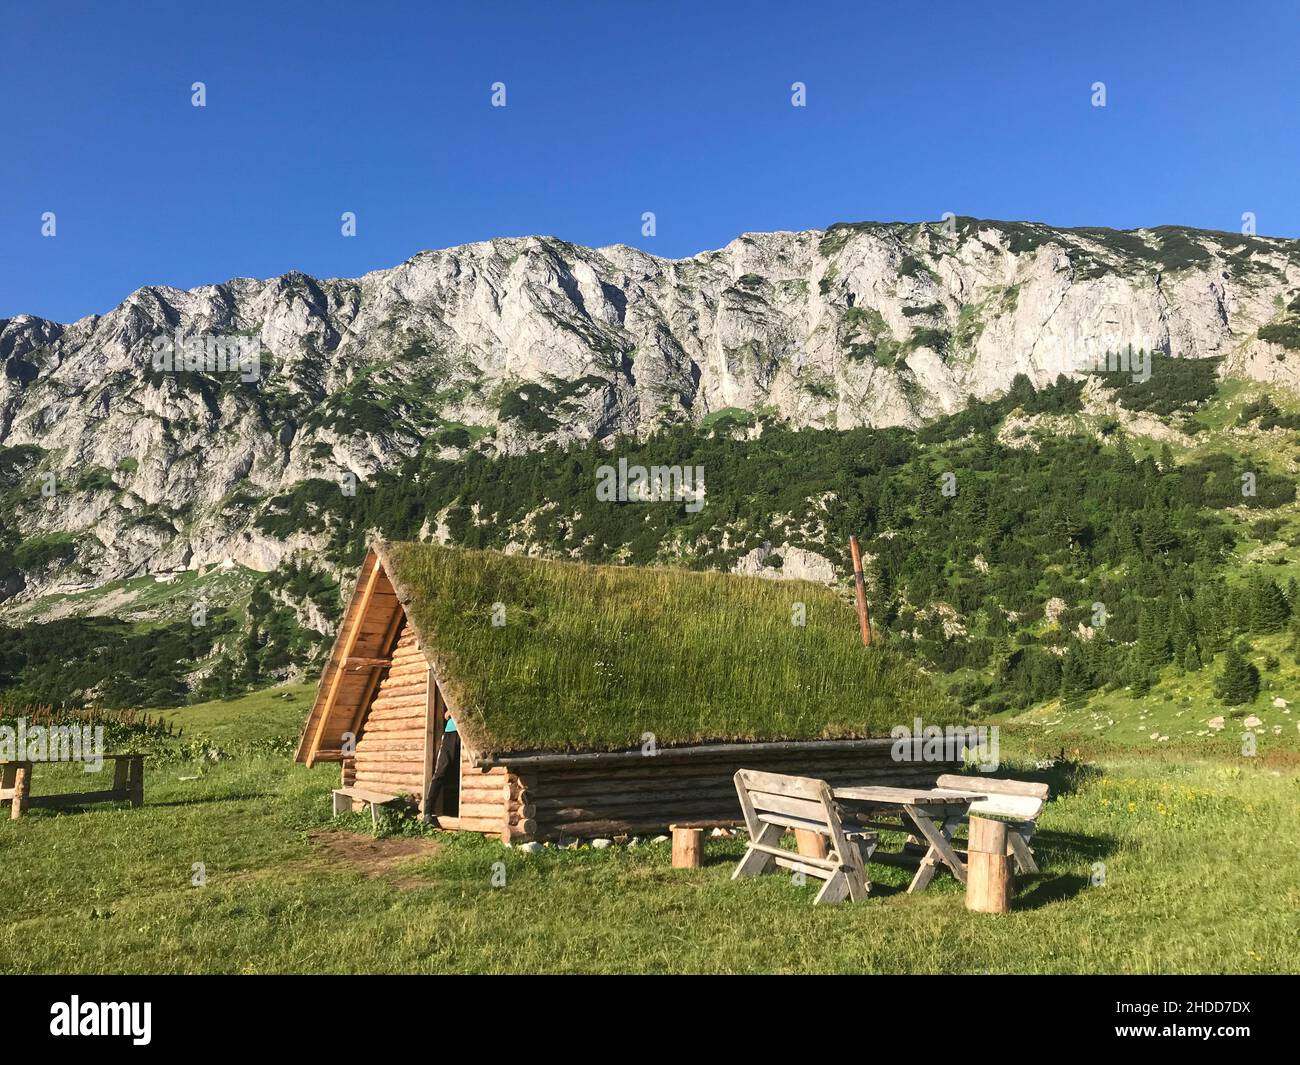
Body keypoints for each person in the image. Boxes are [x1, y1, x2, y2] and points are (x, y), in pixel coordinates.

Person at [425, 715, 460, 817]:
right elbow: (446, 715)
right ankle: (428, 811)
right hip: (451, 732)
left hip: (466, 730)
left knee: (459, 771)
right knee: (441, 771)